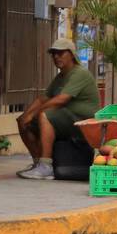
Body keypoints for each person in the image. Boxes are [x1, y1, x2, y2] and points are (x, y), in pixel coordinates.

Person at [15, 38, 100, 180]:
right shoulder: (61, 76)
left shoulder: (79, 73)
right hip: (66, 118)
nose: (56, 56)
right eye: (54, 53)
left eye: (60, 53)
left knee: (45, 115)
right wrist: (26, 116)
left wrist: (35, 113)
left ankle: (46, 166)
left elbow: (62, 99)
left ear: (72, 54)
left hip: (82, 121)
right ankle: (38, 164)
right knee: (24, 122)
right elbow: (43, 98)